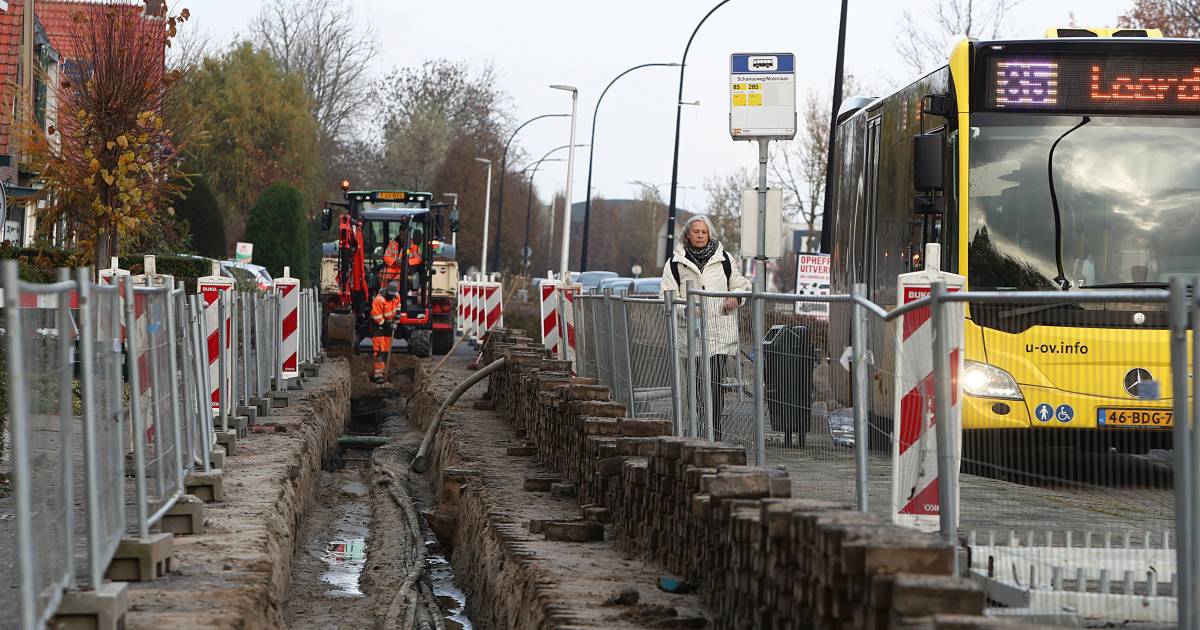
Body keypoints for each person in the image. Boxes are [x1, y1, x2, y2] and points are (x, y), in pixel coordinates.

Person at [660, 215, 751, 440]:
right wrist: (687, 308)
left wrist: (736, 299)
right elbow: (667, 295)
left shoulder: (725, 259)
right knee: (698, 385)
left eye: (704, 232)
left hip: (720, 334)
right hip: (691, 336)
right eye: (696, 232)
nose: (700, 235)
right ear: (687, 235)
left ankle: (714, 431)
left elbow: (741, 286)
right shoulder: (675, 263)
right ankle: (701, 427)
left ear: (709, 234)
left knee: (714, 383)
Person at [370, 281, 401, 383]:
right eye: (391, 295)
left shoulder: (396, 296)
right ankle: (378, 374)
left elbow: (398, 305)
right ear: (387, 291)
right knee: (380, 349)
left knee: (387, 349)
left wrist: (397, 315)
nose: (392, 297)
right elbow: (377, 317)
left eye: (394, 295)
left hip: (388, 323)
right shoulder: (379, 300)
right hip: (378, 325)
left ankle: (384, 371)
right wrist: (388, 324)